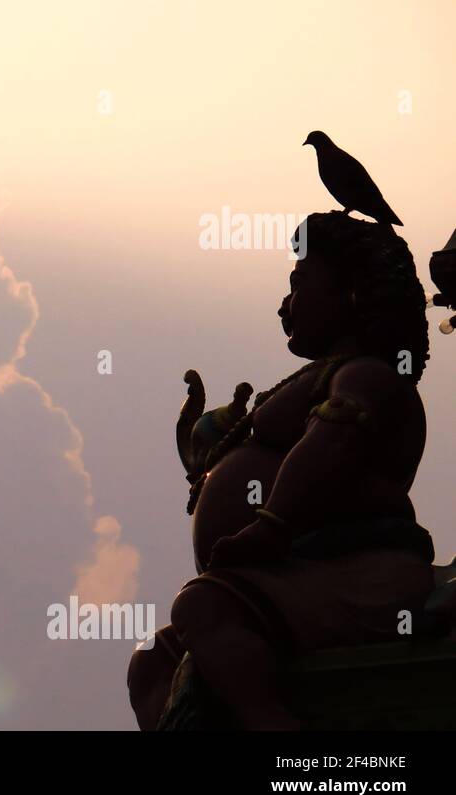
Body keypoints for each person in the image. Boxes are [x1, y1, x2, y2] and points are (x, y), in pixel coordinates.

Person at [128, 211, 435, 730]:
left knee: (204, 607)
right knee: (154, 659)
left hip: (356, 572)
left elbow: (332, 444)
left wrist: (271, 524)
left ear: (352, 293)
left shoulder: (369, 376)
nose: (284, 304)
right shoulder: (314, 379)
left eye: (298, 284)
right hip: (281, 579)